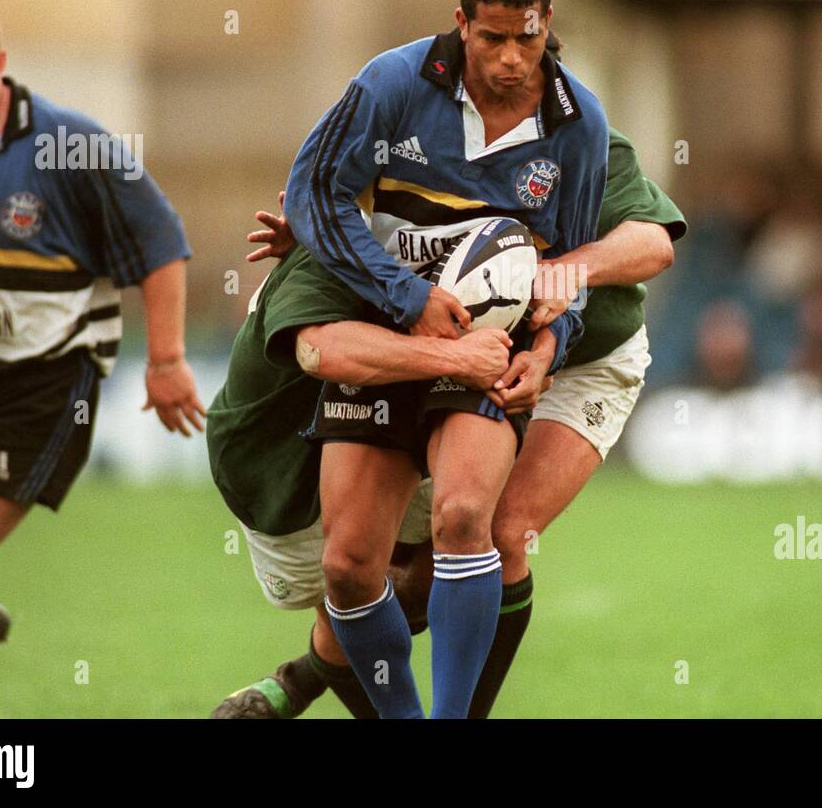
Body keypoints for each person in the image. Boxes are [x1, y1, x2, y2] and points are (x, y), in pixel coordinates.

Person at [217, 120, 684, 719]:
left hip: (582, 357)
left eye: (525, 41)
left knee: (496, 532)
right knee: (376, 576)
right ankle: (305, 677)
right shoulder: (402, 150)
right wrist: (326, 239)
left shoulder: (576, 133)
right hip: (469, 351)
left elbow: (654, 244)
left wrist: (561, 278)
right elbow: (333, 338)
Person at [282, 0, 608, 717]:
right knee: (351, 567)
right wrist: (406, 297)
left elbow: (569, 265)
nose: (509, 57)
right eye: (491, 37)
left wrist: (548, 348)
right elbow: (313, 194)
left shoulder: (578, 123)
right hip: (391, 337)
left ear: (547, 23)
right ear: (462, 23)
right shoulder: (392, 83)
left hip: (485, 354)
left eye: (526, 38)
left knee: (466, 517)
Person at [0, 0, 202, 719]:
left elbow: (161, 244)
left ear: (0, 61)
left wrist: (166, 360)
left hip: (44, 385)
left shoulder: (69, 144)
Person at [205, 201, 514, 718]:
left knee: (468, 538)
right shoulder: (337, 247)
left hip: (373, 425)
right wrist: (460, 358)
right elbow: (320, 352)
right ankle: (301, 680)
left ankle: (298, 684)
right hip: (278, 474)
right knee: (352, 583)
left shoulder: (451, 228)